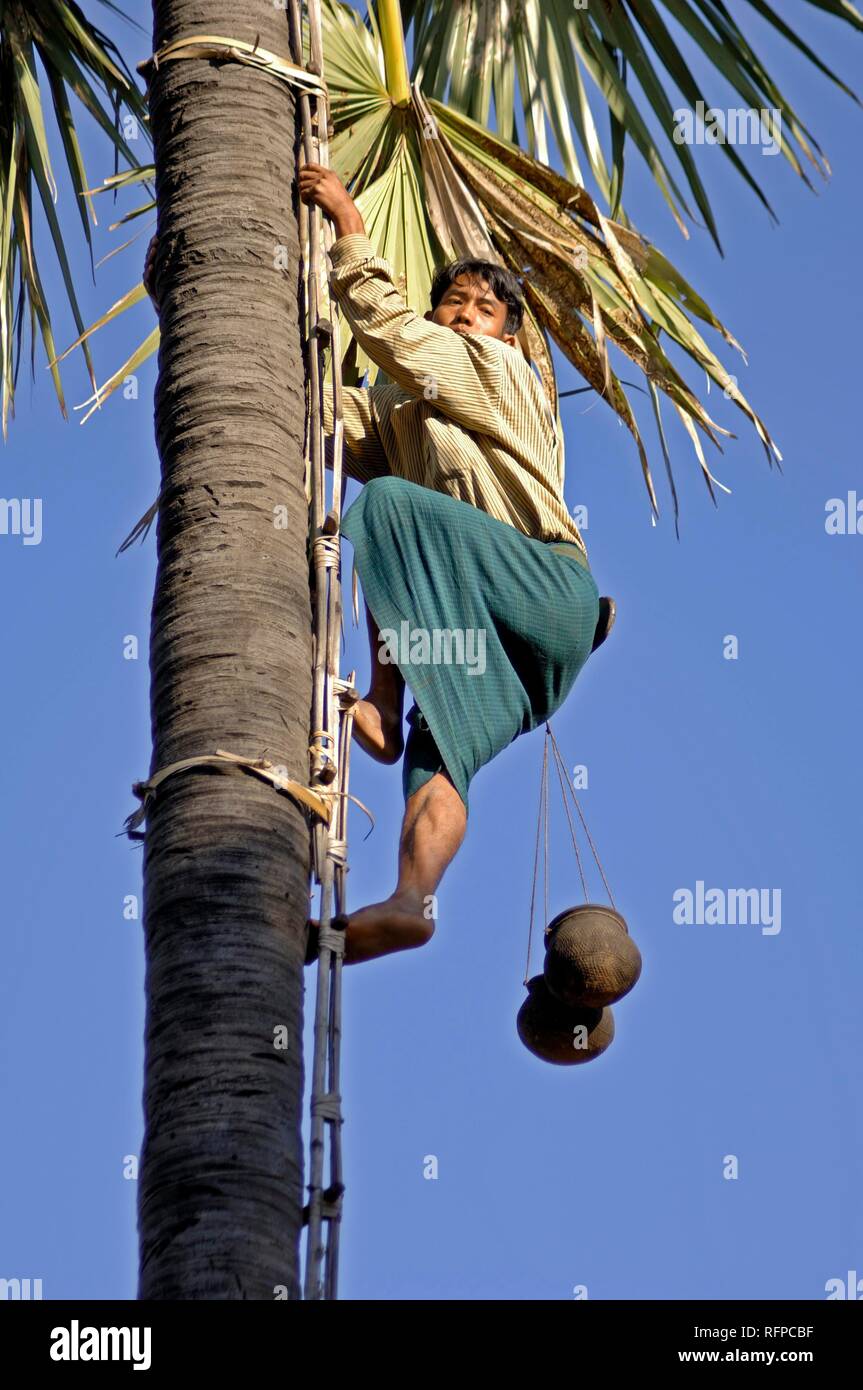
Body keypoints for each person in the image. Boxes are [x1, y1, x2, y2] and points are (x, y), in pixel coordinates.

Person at [143, 169, 612, 968]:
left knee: (391, 507)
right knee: (442, 757)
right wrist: (187, 296)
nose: (463, 315)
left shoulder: (500, 373)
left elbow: (394, 334)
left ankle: (383, 702)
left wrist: (351, 227)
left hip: (543, 587)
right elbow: (312, 405)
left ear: (506, 334)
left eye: (482, 309)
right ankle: (411, 902)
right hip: (494, 638)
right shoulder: (403, 407)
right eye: (452, 303)